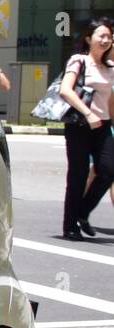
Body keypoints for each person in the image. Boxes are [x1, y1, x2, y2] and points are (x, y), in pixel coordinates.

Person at [60, 18, 114, 240]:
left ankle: (82, 211)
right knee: (78, 175)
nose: (106, 40)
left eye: (109, 37)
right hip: (80, 125)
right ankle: (70, 224)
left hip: (103, 125)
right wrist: (88, 113)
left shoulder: (110, 68)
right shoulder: (78, 61)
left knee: (109, 170)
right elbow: (66, 90)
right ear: (89, 38)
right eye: (101, 36)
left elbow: (110, 100)